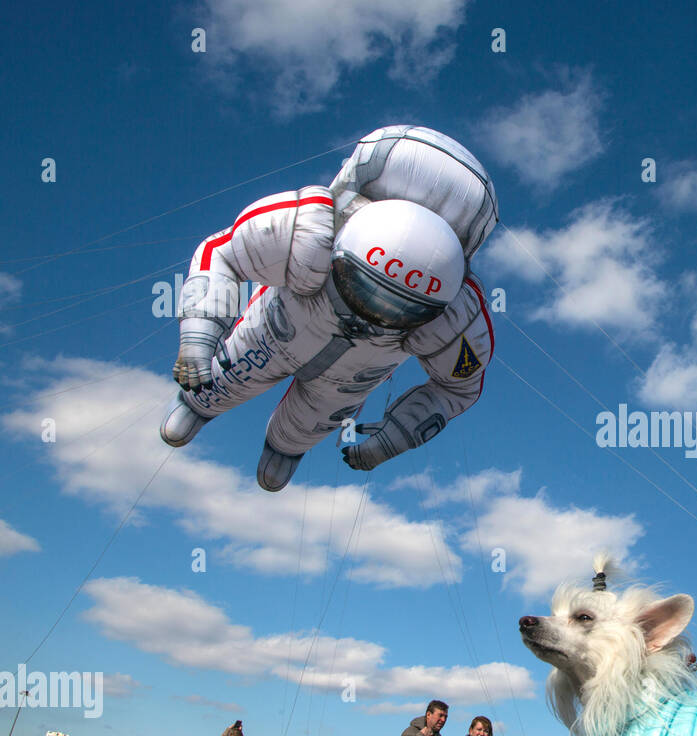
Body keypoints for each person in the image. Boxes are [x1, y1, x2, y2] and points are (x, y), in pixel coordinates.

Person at [159, 125, 498, 492]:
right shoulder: (306, 228)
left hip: (342, 378)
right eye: (366, 287)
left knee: (308, 424)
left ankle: (285, 448)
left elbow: (457, 388)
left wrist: (393, 441)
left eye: (400, 307)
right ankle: (199, 406)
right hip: (272, 335)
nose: (375, 313)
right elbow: (224, 255)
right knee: (224, 379)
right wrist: (198, 335)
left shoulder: (456, 318)